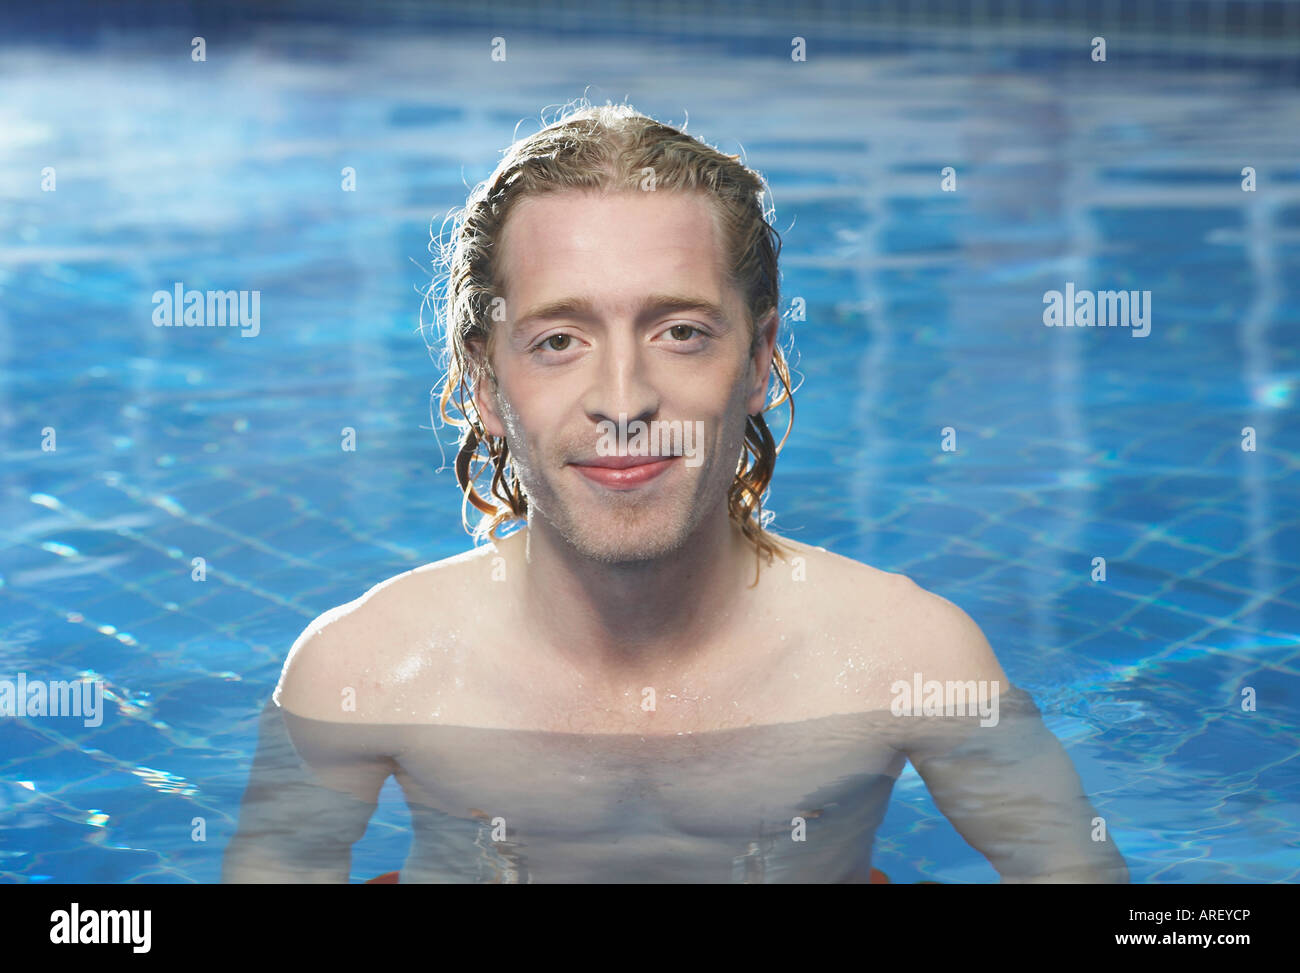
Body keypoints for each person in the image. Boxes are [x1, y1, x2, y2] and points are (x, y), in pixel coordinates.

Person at [222, 101, 1129, 883]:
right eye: (559, 340)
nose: (624, 402)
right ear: (485, 388)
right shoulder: (363, 675)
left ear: (762, 360)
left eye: (681, 331)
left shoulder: (907, 661)